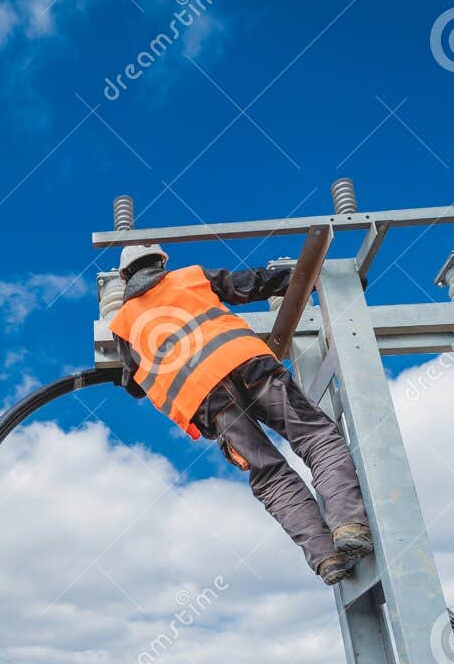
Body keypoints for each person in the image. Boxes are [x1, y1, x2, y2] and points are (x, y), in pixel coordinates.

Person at [108, 243, 373, 585]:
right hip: (247, 364)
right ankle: (348, 526)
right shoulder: (190, 277)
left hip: (207, 401)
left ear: (124, 278)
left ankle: (327, 558)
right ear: (161, 262)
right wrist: (313, 279)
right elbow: (254, 284)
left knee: (269, 474)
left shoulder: (123, 324)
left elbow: (134, 384)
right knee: (315, 437)